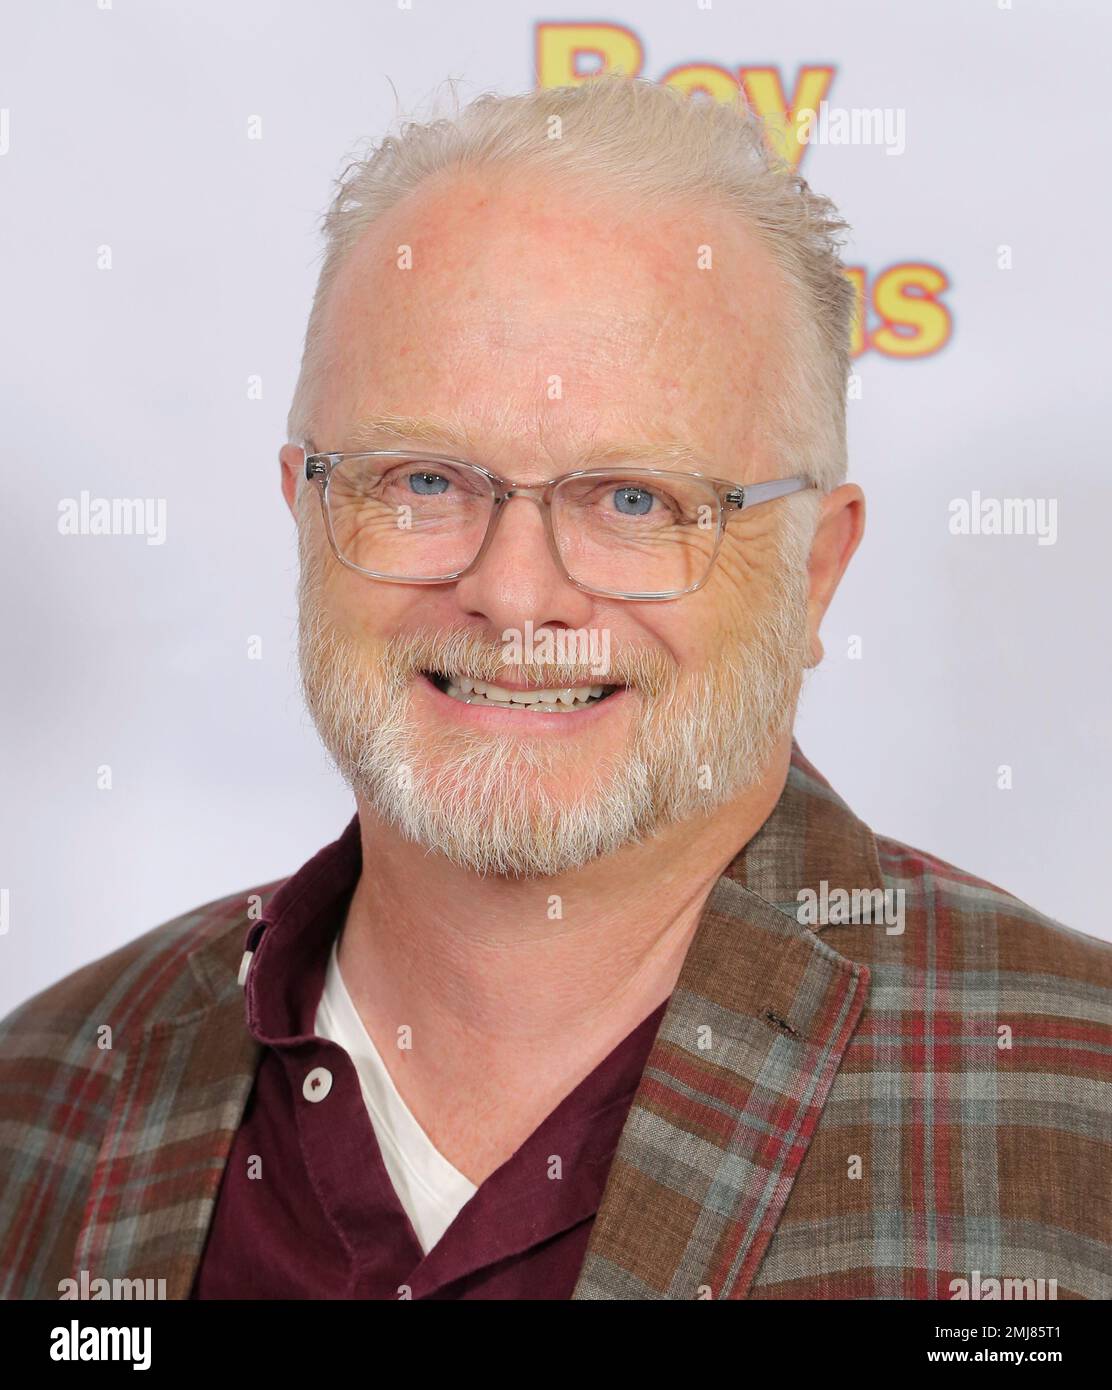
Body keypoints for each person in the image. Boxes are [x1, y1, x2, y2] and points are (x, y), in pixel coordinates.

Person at [2, 76, 1108, 1302]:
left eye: (634, 499)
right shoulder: (38, 1096)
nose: (514, 595)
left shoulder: (1081, 1104)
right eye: (423, 480)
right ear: (304, 518)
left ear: (817, 572)